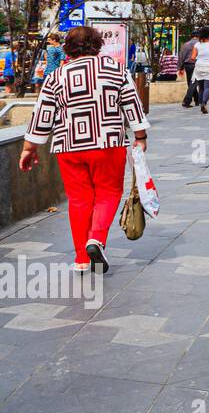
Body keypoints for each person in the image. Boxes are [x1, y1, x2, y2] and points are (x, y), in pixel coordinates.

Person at [18, 25, 149, 273]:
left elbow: (42, 114)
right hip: (107, 143)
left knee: (79, 200)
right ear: (97, 45)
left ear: (68, 47)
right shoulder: (115, 70)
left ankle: (81, 258)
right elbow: (132, 103)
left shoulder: (56, 76)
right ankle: (96, 239)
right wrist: (140, 136)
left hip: (69, 146)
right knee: (109, 192)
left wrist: (29, 147)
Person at [190, 27, 209, 114]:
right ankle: (204, 103)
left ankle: (201, 105)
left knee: (201, 87)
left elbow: (192, 57)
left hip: (199, 67)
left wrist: (199, 60)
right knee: (208, 87)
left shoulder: (197, 45)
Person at [179, 31, 200, 107]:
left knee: (190, 83)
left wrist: (181, 68)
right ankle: (187, 101)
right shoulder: (200, 44)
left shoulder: (186, 44)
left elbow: (182, 56)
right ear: (198, 36)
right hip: (197, 65)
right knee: (193, 83)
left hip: (188, 66)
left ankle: (197, 100)